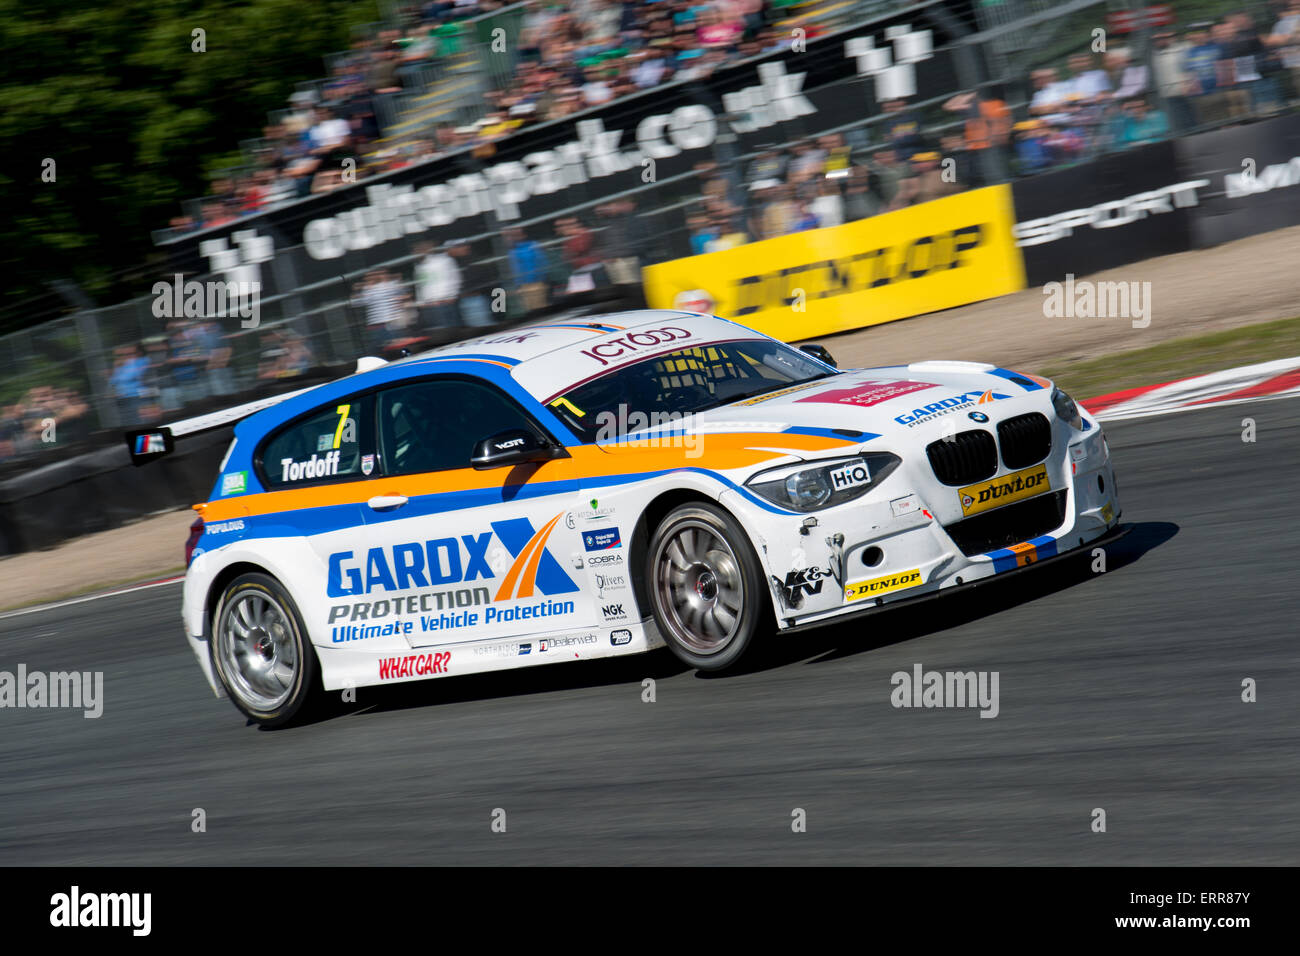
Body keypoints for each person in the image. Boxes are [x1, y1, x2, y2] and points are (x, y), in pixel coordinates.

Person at [413, 242, 461, 330]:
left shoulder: (443, 260)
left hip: (443, 303)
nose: (417, 253)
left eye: (420, 250)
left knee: (450, 330)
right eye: (416, 251)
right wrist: (421, 302)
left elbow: (454, 278)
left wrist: (452, 296)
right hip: (429, 306)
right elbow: (420, 286)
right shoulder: (419, 267)